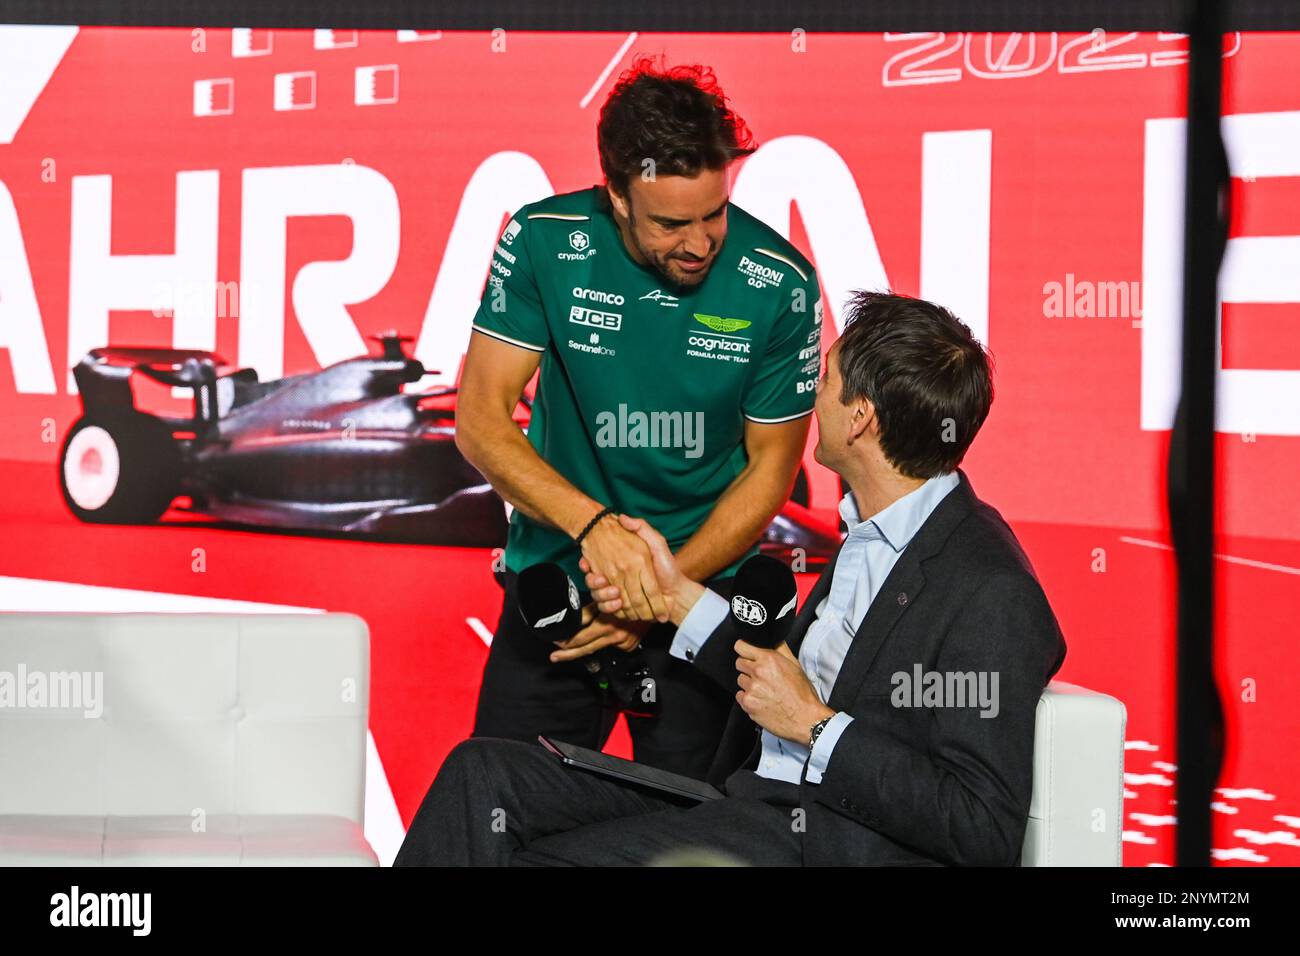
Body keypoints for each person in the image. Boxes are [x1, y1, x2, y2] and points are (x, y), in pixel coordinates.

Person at [395, 291, 1068, 866]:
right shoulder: (874, 529)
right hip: (746, 800)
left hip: (819, 838)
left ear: (861, 418)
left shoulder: (990, 589)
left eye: (827, 378)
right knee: (482, 777)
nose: (813, 392)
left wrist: (815, 725)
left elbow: (983, 827)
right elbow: (782, 675)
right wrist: (675, 595)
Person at [457, 56, 822, 777]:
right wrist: (595, 530)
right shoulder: (542, 240)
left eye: (714, 214)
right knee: (496, 818)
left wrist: (654, 592)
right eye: (670, 223)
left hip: (700, 597)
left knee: (701, 838)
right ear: (616, 197)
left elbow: (771, 469)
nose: (699, 242)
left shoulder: (780, 283)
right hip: (557, 593)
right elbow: (480, 421)